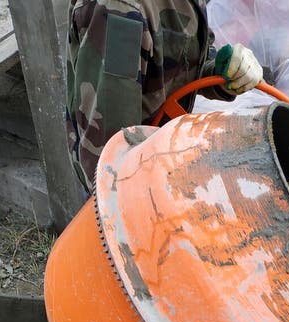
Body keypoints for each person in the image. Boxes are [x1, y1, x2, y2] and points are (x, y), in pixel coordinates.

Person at [66, 1, 263, 193]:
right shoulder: (119, 11)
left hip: (160, 160)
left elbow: (176, 55)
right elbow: (110, 159)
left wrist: (222, 72)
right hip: (129, 185)